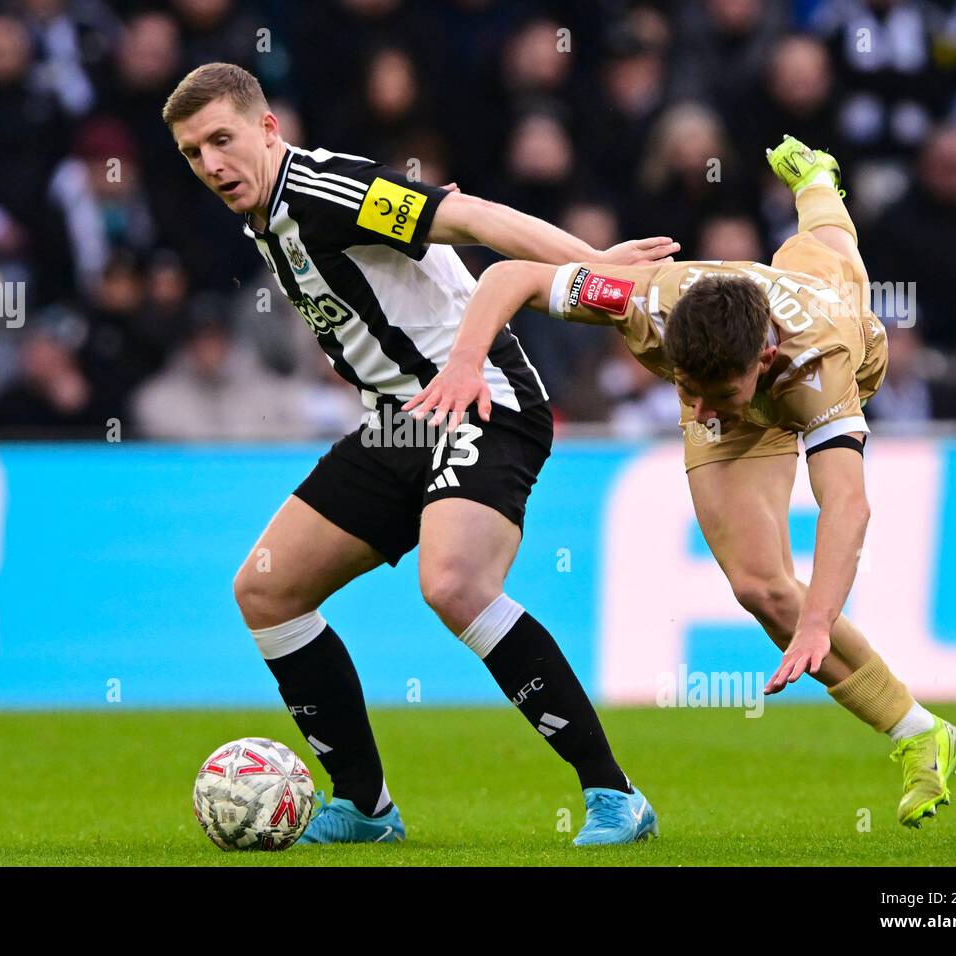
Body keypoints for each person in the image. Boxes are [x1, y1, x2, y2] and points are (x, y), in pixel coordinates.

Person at [164, 62, 679, 846]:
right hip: (400, 424)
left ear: (269, 129)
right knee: (266, 593)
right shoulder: (263, 215)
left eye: (223, 141)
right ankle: (366, 808)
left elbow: (471, 216)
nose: (211, 165)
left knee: (453, 584)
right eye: (194, 153)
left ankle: (616, 795)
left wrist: (597, 267)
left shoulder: (322, 190)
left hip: (485, 402)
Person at [407, 135, 956, 828]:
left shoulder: (819, 369)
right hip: (736, 365)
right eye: (688, 388)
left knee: (824, 250)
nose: (697, 408)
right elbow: (509, 278)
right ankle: (922, 733)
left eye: (713, 392)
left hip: (832, 325)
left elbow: (847, 507)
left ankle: (818, 176)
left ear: (764, 357)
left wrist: (820, 622)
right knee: (763, 590)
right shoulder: (641, 300)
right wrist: (466, 361)